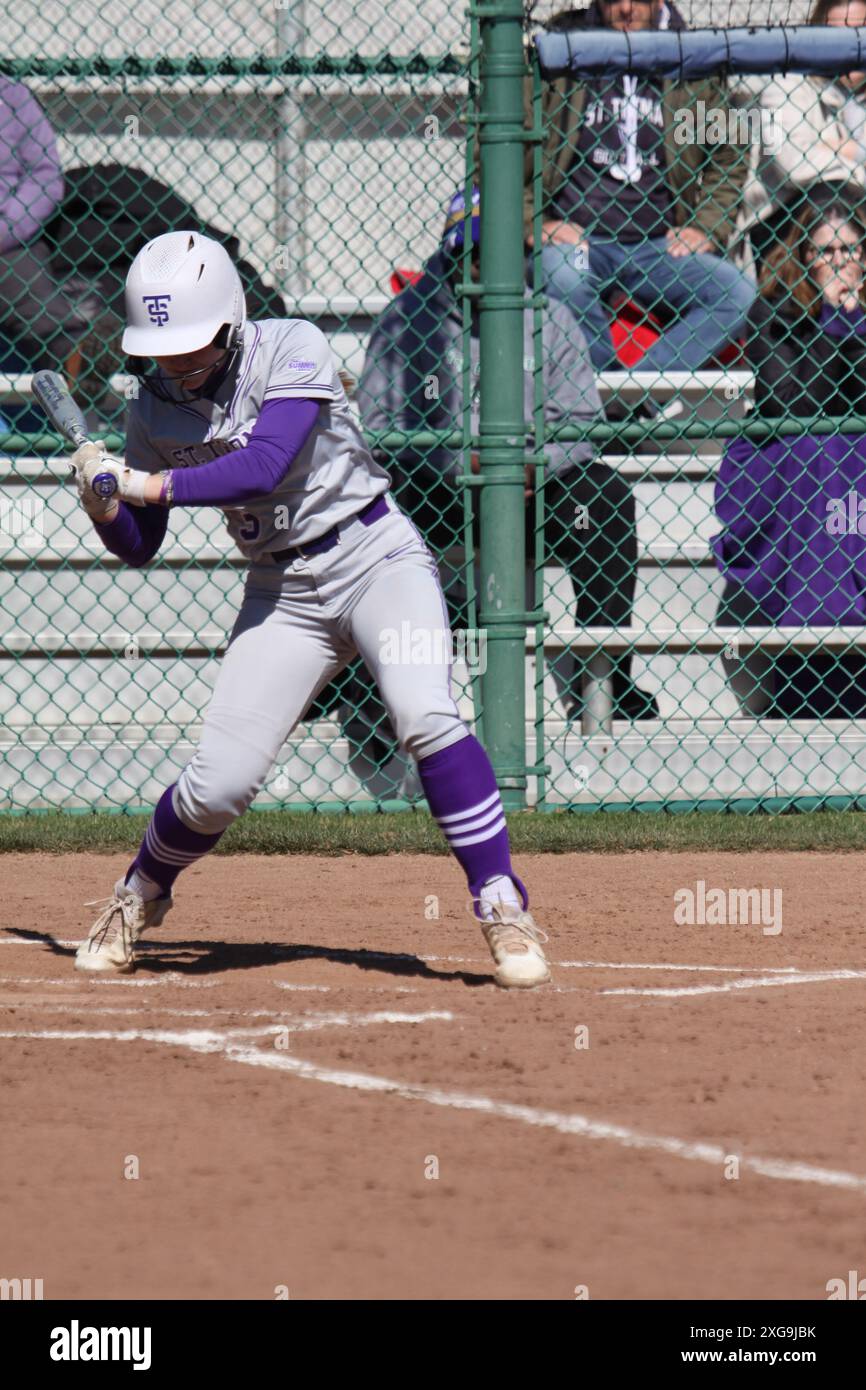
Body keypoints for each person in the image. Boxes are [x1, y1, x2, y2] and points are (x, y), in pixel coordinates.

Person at [70, 230, 551, 990]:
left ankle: (500, 900)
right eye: (161, 349)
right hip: (281, 591)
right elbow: (140, 546)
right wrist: (103, 501)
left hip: (375, 559)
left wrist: (143, 484)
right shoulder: (153, 411)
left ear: (230, 323)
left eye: (192, 346)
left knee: (425, 714)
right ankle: (138, 894)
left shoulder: (291, 346)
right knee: (219, 783)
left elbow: (265, 462)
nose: (175, 364)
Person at [355, 185, 658, 738]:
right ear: (451, 252)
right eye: (468, 253)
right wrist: (458, 460)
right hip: (443, 492)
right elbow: (377, 430)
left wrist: (531, 465)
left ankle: (608, 678)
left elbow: (582, 422)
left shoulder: (549, 317)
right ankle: (374, 689)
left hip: (532, 496)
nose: (478, 266)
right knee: (381, 496)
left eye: (490, 253)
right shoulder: (406, 320)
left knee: (606, 498)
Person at [527, 1, 755, 386]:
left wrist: (706, 226)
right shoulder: (561, 51)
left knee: (737, 292)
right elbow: (501, 145)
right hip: (582, 245)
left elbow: (729, 152)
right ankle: (603, 392)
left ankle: (633, 395)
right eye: (614, 0)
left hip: (659, 249)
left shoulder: (691, 60)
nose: (627, 8)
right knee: (565, 275)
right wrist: (531, 221)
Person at [712, 190, 866, 718]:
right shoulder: (775, 308)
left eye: (849, 249)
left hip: (855, 453)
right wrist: (834, 319)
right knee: (813, 452)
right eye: (825, 251)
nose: (839, 262)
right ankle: (819, 650)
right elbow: (794, 401)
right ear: (804, 255)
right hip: (786, 454)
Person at [741, 0, 866, 253]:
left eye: (860, 31)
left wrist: (847, 150)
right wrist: (859, 157)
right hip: (782, 226)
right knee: (827, 194)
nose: (851, 44)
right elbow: (794, 164)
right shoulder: (788, 82)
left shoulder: (857, 98)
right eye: (838, 34)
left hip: (852, 216)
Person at [0, 78, 95, 373]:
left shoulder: (11, 96)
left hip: (7, 244)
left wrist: (7, 227)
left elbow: (44, 175)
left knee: (37, 306)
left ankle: (78, 363)